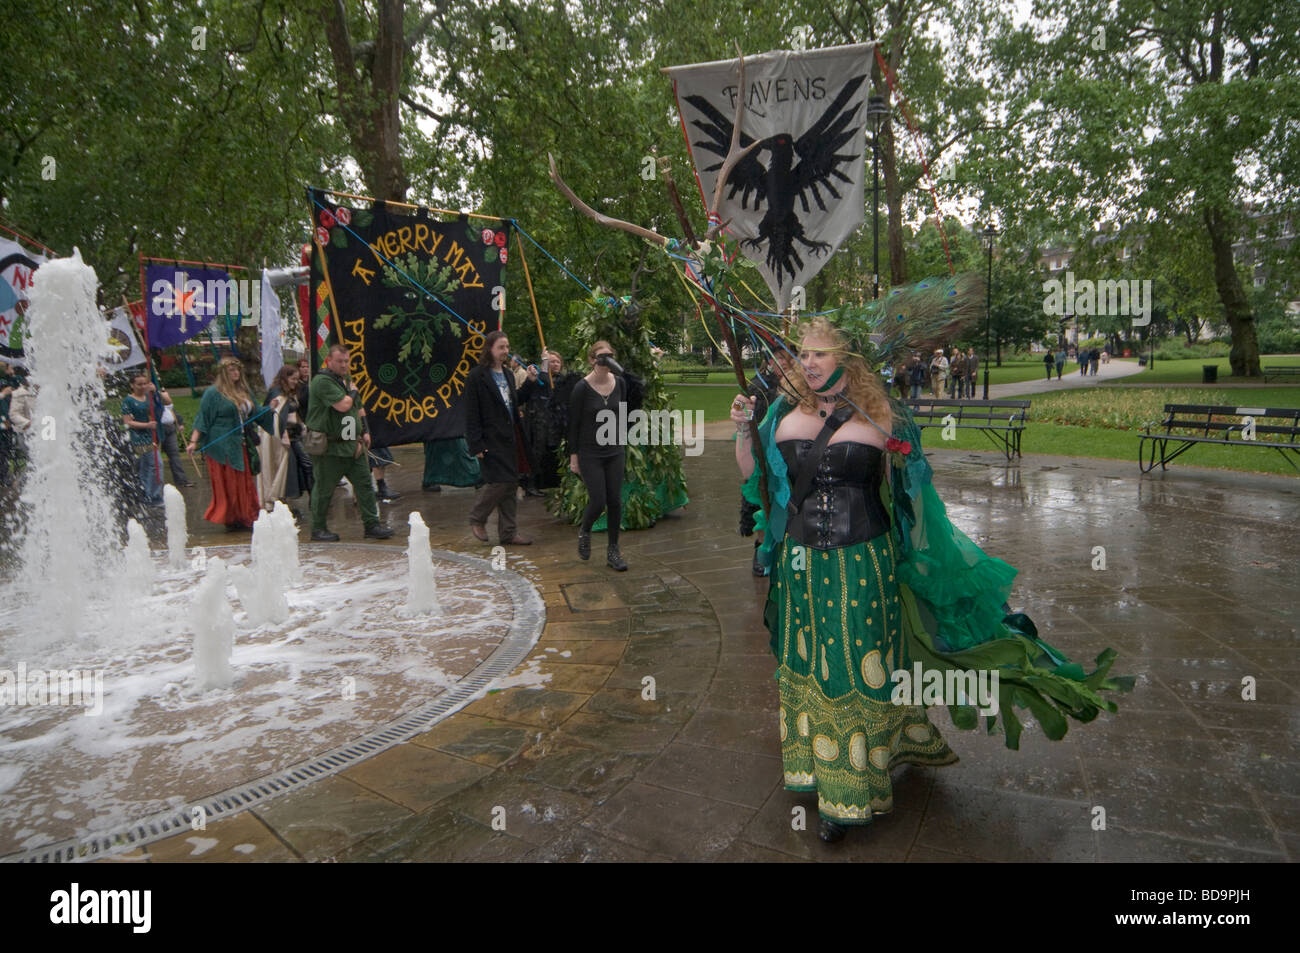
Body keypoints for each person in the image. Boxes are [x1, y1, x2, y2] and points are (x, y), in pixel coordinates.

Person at [730, 317, 1129, 844]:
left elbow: (911, 501)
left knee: (856, 667)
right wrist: (742, 429)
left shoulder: (883, 416)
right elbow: (753, 478)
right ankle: (814, 765)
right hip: (801, 566)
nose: (807, 362)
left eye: (819, 355)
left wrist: (927, 565)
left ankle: (848, 792)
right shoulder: (782, 410)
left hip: (862, 563)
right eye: (803, 354)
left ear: (846, 361)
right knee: (809, 660)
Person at [303, 345, 393, 541]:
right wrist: (352, 392)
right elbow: (344, 406)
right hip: (329, 447)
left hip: (351, 444)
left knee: (365, 486)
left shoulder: (346, 380)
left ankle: (372, 525)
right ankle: (318, 529)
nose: (344, 365)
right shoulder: (321, 381)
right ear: (329, 361)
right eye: (340, 361)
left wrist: (365, 430)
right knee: (324, 489)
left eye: (347, 361)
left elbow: (358, 409)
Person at [568, 339, 642, 571]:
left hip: (614, 450)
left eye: (610, 355)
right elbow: (573, 424)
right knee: (598, 500)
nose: (606, 360)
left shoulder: (619, 383)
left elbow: (630, 410)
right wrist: (574, 456)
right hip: (590, 452)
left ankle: (613, 551)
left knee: (615, 501)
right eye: (602, 356)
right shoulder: (582, 387)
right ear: (592, 360)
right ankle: (585, 531)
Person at [186, 358, 275, 529]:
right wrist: (193, 442)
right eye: (232, 370)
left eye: (238, 370)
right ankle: (232, 517)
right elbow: (202, 418)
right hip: (221, 445)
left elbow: (255, 411)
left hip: (240, 442)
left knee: (244, 480)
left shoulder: (243, 390)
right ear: (223, 373)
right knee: (230, 482)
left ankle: (247, 514)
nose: (236, 373)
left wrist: (270, 407)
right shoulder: (213, 393)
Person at [464, 330, 532, 546]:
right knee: (500, 482)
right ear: (490, 349)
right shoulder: (477, 376)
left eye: (507, 347)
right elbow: (471, 413)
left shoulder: (509, 374)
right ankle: (477, 517)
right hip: (489, 439)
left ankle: (508, 532)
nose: (505, 351)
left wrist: (529, 382)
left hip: (510, 437)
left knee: (511, 483)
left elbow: (515, 401)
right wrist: (476, 443)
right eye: (501, 347)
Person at [518, 349, 579, 492]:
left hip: (557, 426)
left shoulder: (564, 381)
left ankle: (557, 483)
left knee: (556, 453)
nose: (555, 364)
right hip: (538, 424)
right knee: (537, 453)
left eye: (558, 361)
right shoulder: (537, 379)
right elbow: (527, 393)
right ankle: (531, 484)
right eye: (552, 361)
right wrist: (542, 367)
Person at [258, 364, 303, 512]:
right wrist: (283, 435)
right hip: (277, 436)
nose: (295, 381)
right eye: (293, 378)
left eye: (297, 379)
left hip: (290, 435)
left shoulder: (289, 393)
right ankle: (275, 496)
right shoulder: (277, 394)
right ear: (285, 378)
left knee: (289, 465)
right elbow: (277, 417)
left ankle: (281, 495)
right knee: (278, 464)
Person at [122, 371, 166, 507]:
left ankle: (147, 494)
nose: (142, 387)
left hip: (152, 435)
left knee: (148, 466)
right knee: (155, 465)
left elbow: (164, 404)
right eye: (139, 384)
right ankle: (151, 495)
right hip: (139, 438)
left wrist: (155, 392)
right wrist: (146, 425)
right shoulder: (128, 400)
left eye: (144, 384)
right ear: (132, 385)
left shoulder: (149, 396)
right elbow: (128, 421)